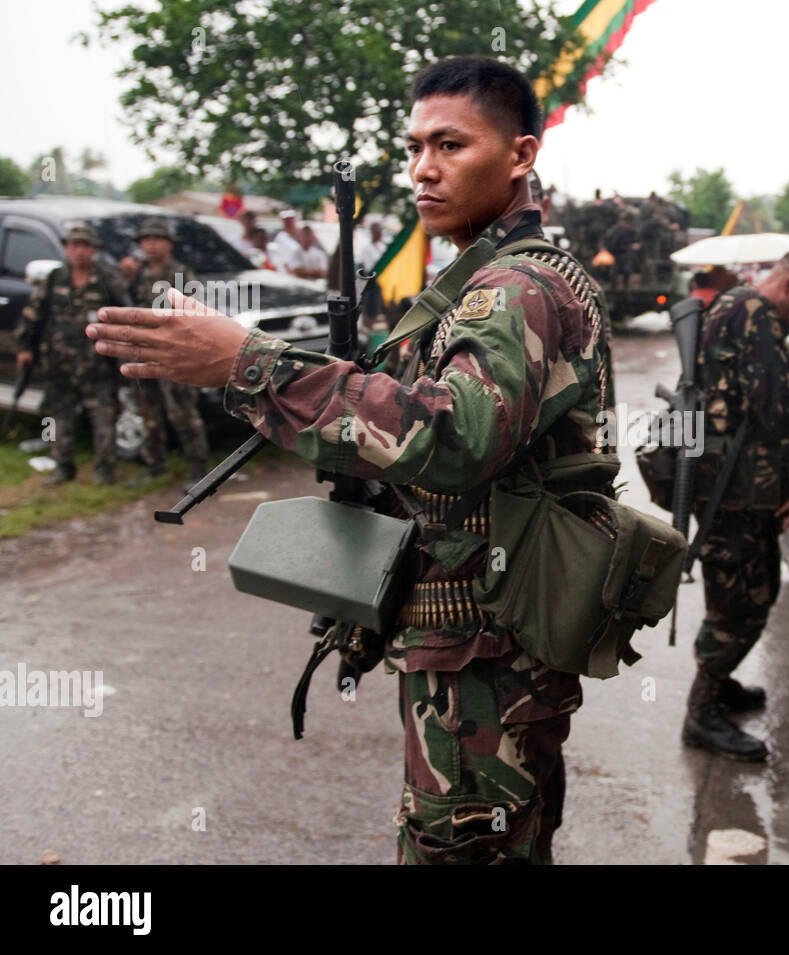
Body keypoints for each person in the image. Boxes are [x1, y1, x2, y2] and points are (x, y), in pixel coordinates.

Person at [88, 55, 614, 865]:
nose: (422, 171)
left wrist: (249, 364)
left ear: (521, 156)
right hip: (480, 642)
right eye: (413, 149)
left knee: (459, 847)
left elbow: (451, 435)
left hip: (489, 649)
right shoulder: (481, 281)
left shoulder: (518, 290)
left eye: (450, 146)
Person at [681, 245, 789, 761]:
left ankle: (719, 686)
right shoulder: (755, 314)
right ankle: (702, 714)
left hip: (732, 483)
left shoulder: (735, 304)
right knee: (742, 597)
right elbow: (777, 406)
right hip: (735, 489)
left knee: (743, 586)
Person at [15, 223, 130, 486]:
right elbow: (33, 314)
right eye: (74, 245)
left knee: (103, 419)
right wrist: (25, 347)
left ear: (94, 249)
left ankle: (104, 470)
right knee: (60, 419)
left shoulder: (105, 278)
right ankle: (62, 466)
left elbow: (124, 310)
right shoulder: (55, 278)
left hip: (98, 365)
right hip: (60, 364)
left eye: (85, 246)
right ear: (66, 248)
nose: (79, 251)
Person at [118, 217, 210, 483]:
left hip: (173, 353)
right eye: (146, 240)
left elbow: (194, 313)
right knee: (149, 412)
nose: (151, 245)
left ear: (169, 244)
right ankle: (155, 464)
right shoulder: (136, 274)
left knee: (182, 413)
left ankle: (198, 469)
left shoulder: (180, 273)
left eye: (157, 240)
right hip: (143, 353)